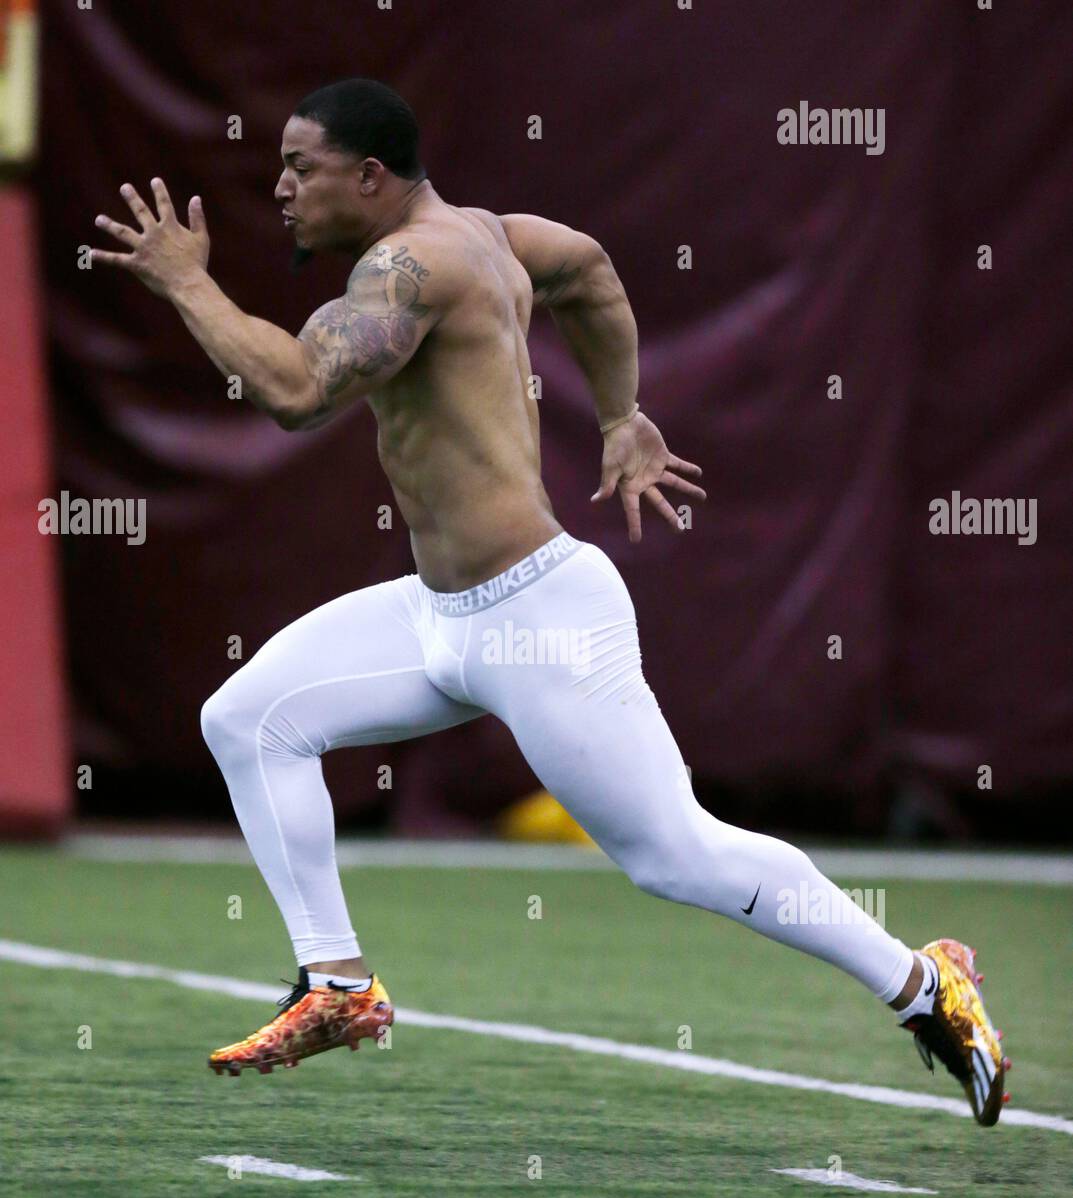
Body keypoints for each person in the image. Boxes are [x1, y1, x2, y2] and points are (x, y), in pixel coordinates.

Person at [89, 79, 1009, 1123]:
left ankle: (919, 982)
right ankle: (337, 983)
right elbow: (589, 270)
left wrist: (182, 282)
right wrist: (621, 414)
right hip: (440, 615)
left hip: (535, 621)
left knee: (674, 854)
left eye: (302, 167)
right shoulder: (488, 234)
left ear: (371, 177)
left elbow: (297, 393)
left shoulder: (413, 262)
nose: (282, 186)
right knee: (248, 719)